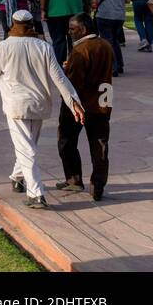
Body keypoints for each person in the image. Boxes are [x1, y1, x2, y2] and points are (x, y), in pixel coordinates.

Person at [0, 9, 85, 210]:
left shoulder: (5, 47)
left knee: (26, 147)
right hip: (39, 105)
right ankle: (17, 178)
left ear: (13, 24)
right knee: (28, 145)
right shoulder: (44, 47)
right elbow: (59, 77)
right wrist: (73, 100)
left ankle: (36, 194)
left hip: (17, 105)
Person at [56, 14, 113, 201]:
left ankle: (74, 179)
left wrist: (67, 69)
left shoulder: (81, 49)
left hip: (80, 105)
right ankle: (97, 185)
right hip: (103, 104)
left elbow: (74, 82)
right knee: (100, 147)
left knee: (66, 141)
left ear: (83, 29)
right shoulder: (105, 45)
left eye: (73, 29)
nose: (69, 32)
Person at [92, 0, 129, 76]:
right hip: (119, 16)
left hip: (104, 15)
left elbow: (95, 1)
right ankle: (120, 64)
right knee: (115, 40)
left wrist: (93, 6)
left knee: (107, 42)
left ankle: (112, 67)